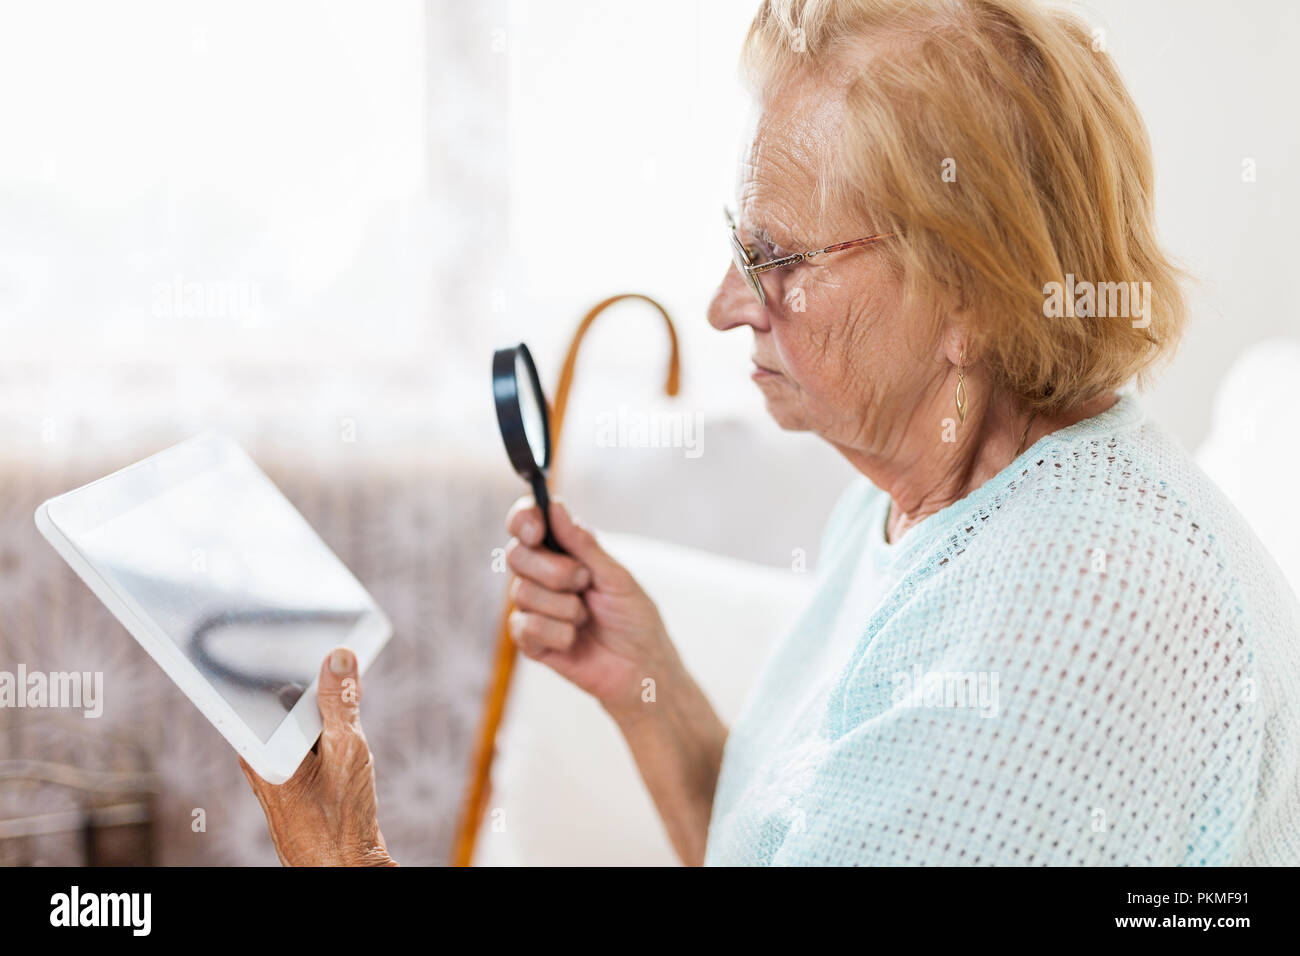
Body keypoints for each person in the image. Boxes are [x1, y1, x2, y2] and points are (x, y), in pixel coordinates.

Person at [242, 0, 1300, 866]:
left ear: (975, 291)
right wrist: (646, 685)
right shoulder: (903, 503)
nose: (724, 304)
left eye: (779, 258)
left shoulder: (1074, 618)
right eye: (737, 245)